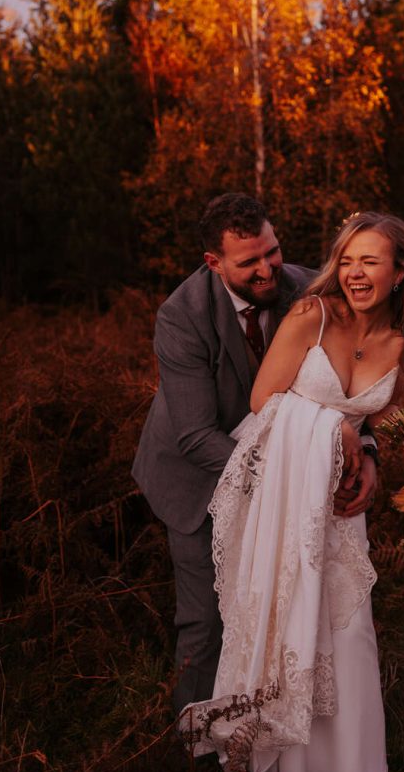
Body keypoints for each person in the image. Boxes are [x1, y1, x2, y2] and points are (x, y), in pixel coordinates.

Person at [179, 212, 404, 772]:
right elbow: (265, 399)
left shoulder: (403, 337)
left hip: (339, 509)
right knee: (285, 628)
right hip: (281, 495)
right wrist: (335, 429)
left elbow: (386, 411)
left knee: (346, 636)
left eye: (370, 261)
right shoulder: (311, 314)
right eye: (346, 259)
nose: (354, 272)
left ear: (399, 274)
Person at [132, 194, 380, 715]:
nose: (268, 269)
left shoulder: (311, 289)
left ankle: (268, 739)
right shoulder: (181, 317)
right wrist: (298, 477)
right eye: (249, 262)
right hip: (198, 480)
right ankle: (198, 750)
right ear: (213, 263)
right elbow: (197, 437)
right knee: (207, 621)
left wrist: (370, 451)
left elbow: (351, 380)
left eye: (272, 251)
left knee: (285, 612)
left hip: (289, 476)